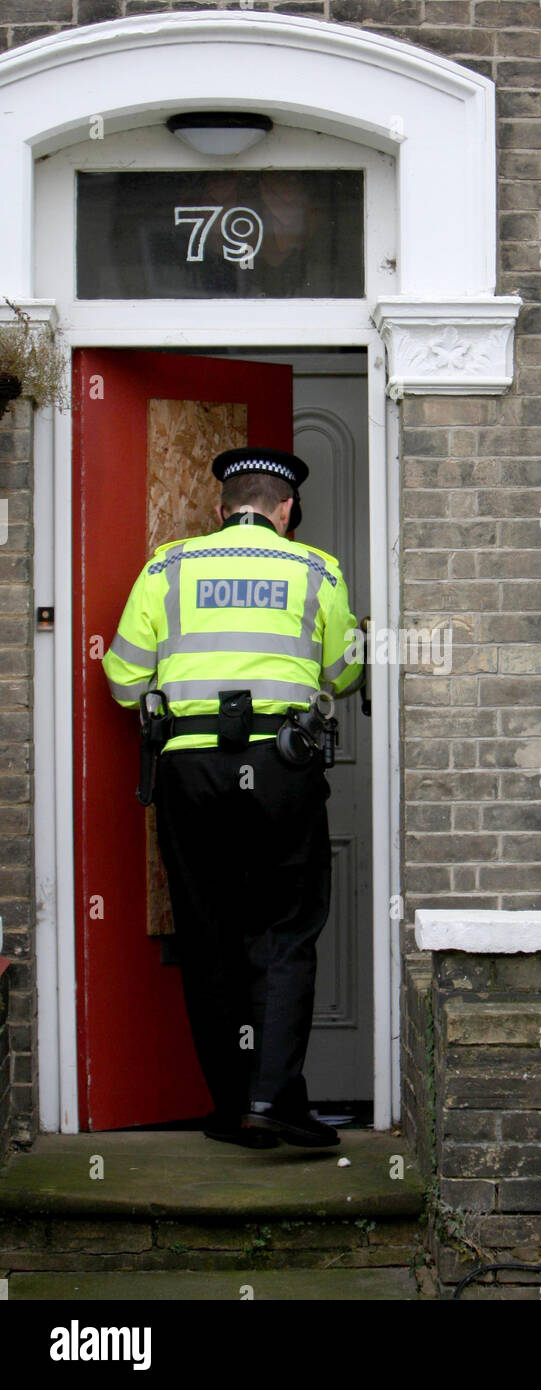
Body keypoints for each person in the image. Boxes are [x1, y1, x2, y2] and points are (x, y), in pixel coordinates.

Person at [101, 446, 363, 1150]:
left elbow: (123, 678)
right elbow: (344, 669)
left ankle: (233, 1107)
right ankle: (271, 1098)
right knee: (284, 929)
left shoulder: (168, 567)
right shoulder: (317, 570)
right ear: (286, 511)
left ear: (220, 509)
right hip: (282, 768)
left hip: (191, 770)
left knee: (210, 932)